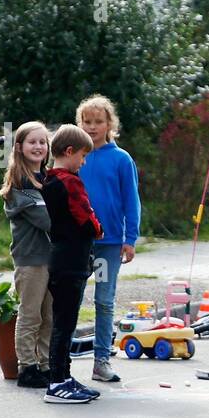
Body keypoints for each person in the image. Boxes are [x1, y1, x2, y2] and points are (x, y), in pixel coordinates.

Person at [76, 94, 141, 385]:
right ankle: (59, 359)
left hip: (109, 242)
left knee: (104, 301)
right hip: (78, 241)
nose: (92, 127)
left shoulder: (121, 159)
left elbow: (131, 201)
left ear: (109, 124)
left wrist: (130, 238)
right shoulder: (75, 155)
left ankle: (101, 360)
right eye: (86, 122)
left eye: (98, 122)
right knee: (71, 299)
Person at [41, 124, 102, 404]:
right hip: (71, 261)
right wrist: (99, 228)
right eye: (82, 155)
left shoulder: (50, 180)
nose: (84, 161)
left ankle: (63, 376)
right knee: (65, 323)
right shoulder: (70, 182)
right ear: (69, 152)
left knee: (63, 321)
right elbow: (86, 218)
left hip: (60, 259)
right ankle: (57, 381)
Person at [1, 121, 54, 389]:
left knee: (49, 315)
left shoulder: (48, 179)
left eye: (42, 142)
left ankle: (45, 365)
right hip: (30, 260)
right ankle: (27, 367)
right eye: (32, 142)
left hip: (50, 258)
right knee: (31, 315)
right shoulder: (19, 186)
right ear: (19, 147)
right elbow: (48, 221)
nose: (38, 146)